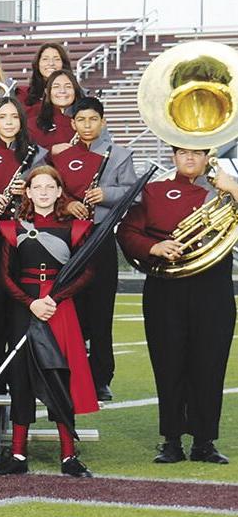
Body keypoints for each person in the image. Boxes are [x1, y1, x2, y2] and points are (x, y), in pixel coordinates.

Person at [117, 146, 237, 465]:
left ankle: (204, 442)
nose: (189, 159)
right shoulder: (153, 191)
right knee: (168, 363)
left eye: (196, 153)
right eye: (182, 153)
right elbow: (127, 231)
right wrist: (153, 246)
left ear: (207, 157)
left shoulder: (224, 190)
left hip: (213, 287)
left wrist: (234, 187)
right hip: (164, 285)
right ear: (173, 157)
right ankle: (170, 441)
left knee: (209, 364)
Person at [0, 166, 98, 478]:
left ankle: (68, 456)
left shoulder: (77, 227)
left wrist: (54, 299)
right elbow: (4, 275)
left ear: (58, 191)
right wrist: (31, 303)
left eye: (49, 187)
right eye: (36, 187)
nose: (42, 192)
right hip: (26, 308)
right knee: (21, 379)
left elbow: (87, 272)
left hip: (59, 308)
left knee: (60, 376)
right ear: (27, 192)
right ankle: (17, 454)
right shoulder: (13, 227)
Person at [49, 97, 136, 401]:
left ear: (103, 122)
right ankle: (69, 369)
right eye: (81, 120)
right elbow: (49, 190)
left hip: (100, 238)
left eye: (93, 120)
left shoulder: (121, 155)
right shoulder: (61, 156)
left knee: (101, 309)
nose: (87, 126)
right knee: (71, 307)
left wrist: (106, 193)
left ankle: (101, 376)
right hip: (70, 239)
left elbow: (134, 195)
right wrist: (68, 203)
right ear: (72, 124)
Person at [0, 97, 45, 395]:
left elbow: (48, 189)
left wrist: (25, 189)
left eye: (14, 116)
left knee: (19, 303)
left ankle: (21, 373)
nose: (9, 122)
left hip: (24, 234)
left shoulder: (36, 154)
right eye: (3, 117)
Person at [32, 70, 85, 151]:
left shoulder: (89, 121)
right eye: (56, 87)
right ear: (47, 92)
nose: (63, 91)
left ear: (75, 91)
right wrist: (50, 151)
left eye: (68, 86)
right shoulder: (32, 125)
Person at [20, 43, 72, 110]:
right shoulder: (24, 95)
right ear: (37, 64)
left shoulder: (75, 94)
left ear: (63, 63)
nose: (51, 63)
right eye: (45, 59)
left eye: (56, 59)